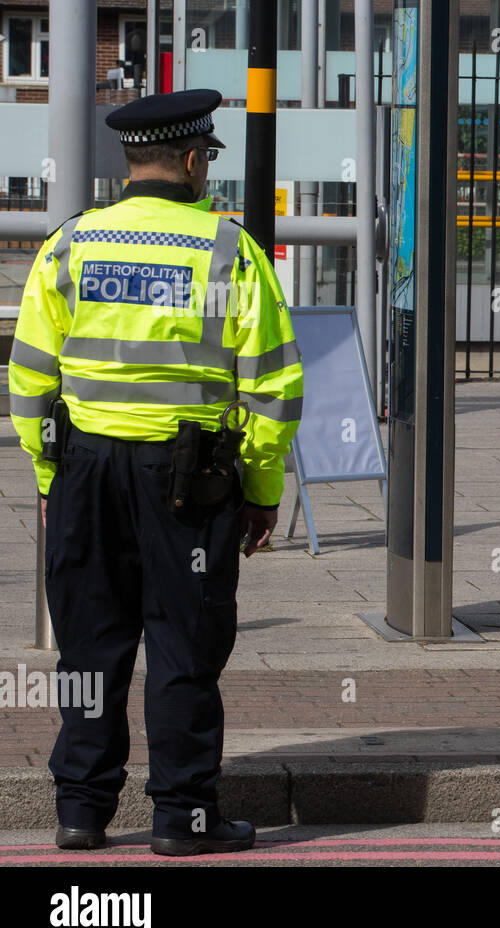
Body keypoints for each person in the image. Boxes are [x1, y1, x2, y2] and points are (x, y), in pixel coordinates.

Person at [7, 90, 303, 856]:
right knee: (184, 647)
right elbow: (273, 386)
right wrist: (262, 490)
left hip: (85, 472)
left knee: (89, 646)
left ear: (132, 161)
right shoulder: (228, 251)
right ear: (195, 159)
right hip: (190, 479)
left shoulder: (71, 246)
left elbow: (30, 375)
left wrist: (49, 472)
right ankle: (182, 817)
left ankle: (81, 811)